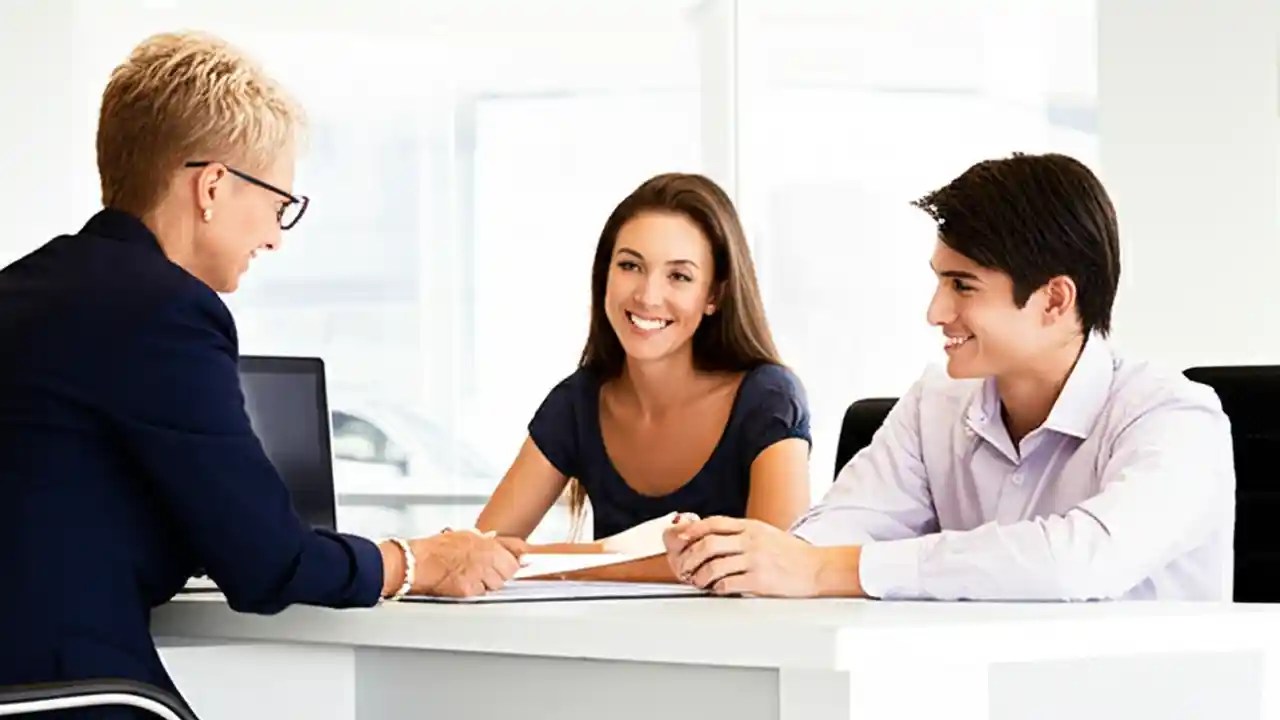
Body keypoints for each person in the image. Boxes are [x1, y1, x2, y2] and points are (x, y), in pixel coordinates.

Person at [0, 32, 523, 713]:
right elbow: (268, 563)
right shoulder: (165, 311)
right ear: (212, 185)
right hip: (74, 696)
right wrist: (420, 561)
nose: (276, 234)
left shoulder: (26, 291)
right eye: (279, 203)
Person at [665, 152, 1235, 601]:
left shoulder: (1174, 417)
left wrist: (824, 567)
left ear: (1054, 299)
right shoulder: (937, 401)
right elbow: (844, 525)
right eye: (939, 281)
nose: (935, 313)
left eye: (963, 286)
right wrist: (748, 554)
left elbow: (1079, 562)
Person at [476, 173, 812, 581]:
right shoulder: (577, 403)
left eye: (679, 276)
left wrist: (550, 560)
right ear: (606, 276)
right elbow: (476, 554)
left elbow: (774, 562)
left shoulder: (767, 397)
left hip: (737, 644)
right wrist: (551, 560)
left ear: (714, 295)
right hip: (609, 645)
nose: (648, 296)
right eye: (631, 266)